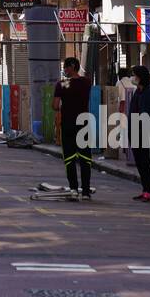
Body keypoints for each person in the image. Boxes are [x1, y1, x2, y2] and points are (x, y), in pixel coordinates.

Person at [53, 57, 93, 200]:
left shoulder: (62, 84)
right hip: (84, 124)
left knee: (69, 157)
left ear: (72, 66)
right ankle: (86, 191)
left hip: (68, 124)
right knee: (85, 158)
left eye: (65, 67)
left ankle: (74, 189)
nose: (64, 69)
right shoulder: (87, 82)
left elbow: (55, 105)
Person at [128, 64, 150, 202]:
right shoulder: (137, 92)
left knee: (147, 162)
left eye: (134, 75)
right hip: (135, 131)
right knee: (139, 162)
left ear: (140, 77)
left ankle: (149, 191)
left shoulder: (149, 93)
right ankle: (144, 190)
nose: (133, 78)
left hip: (147, 133)